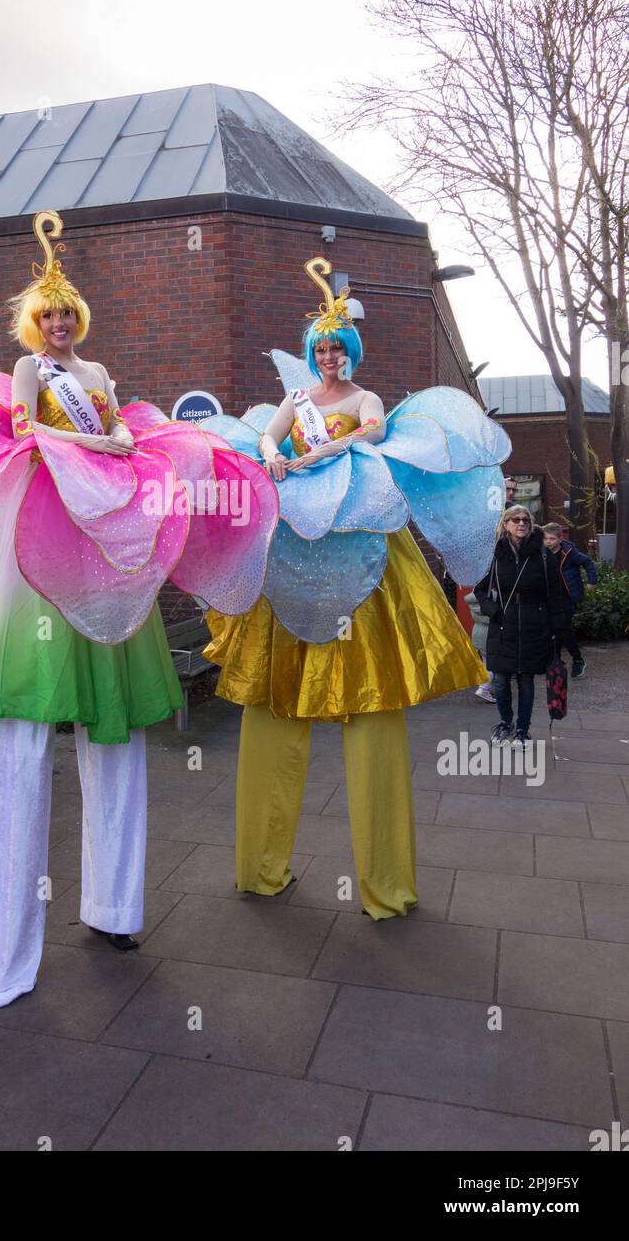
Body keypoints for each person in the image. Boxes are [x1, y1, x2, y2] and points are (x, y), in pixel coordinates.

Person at [0, 210, 277, 1006]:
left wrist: (114, 452)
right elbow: (21, 432)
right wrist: (90, 448)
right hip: (33, 563)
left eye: (68, 313)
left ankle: (116, 907)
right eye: (48, 315)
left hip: (105, 560)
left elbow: (118, 439)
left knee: (113, 739)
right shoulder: (30, 372)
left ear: (81, 320)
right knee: (20, 740)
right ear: (33, 324)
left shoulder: (100, 376)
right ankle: (1, 947)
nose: (59, 323)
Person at [202, 257, 510, 919]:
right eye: (322, 348)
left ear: (351, 352)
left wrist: (315, 454)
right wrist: (274, 454)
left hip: (366, 549)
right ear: (313, 354)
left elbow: (372, 431)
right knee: (276, 704)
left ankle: (384, 887)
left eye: (338, 346)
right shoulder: (297, 402)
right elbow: (267, 438)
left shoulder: (364, 400)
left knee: (369, 708)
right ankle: (260, 870)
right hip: (296, 547)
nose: (330, 355)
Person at [474, 507, 568, 748]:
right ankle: (506, 722)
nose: (521, 523)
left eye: (526, 520)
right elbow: (480, 589)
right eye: (515, 520)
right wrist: (492, 610)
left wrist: (558, 626)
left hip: (534, 623)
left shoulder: (543, 555)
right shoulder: (495, 555)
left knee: (526, 680)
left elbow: (555, 593)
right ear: (506, 525)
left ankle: (522, 729)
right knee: (501, 681)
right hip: (503, 623)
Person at [542, 523, 598, 677]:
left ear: (560, 539)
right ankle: (556, 661)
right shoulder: (542, 553)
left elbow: (587, 562)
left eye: (552, 539)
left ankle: (578, 659)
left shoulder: (570, 552)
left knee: (563, 628)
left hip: (567, 596)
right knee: (554, 630)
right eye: (545, 538)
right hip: (549, 598)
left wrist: (592, 581)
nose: (548, 542)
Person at [464, 588, 496, 702]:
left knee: (485, 662)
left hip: (478, 631)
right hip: (490, 633)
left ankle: (486, 687)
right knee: (492, 664)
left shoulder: (473, 600)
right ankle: (483, 688)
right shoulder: (493, 598)